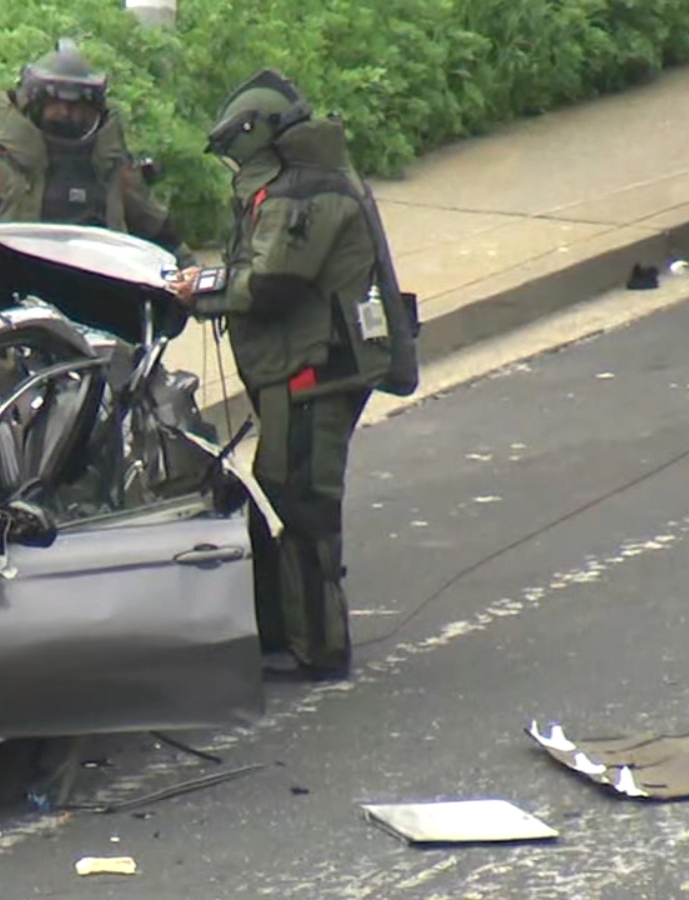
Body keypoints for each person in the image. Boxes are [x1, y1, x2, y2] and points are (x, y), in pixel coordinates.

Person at [169, 69, 419, 682]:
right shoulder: (303, 180)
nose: (233, 163)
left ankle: (320, 647)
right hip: (309, 364)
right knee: (289, 485)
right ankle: (297, 631)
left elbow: (273, 283)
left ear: (260, 135)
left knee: (303, 498)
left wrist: (199, 291)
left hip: (318, 370)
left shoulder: (302, 191)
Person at [0, 38, 197, 269]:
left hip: (102, 290)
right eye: (56, 103)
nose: (66, 113)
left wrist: (191, 276)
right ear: (33, 102)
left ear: (95, 107)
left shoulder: (114, 168)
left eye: (78, 105)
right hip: (15, 289)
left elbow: (161, 233)